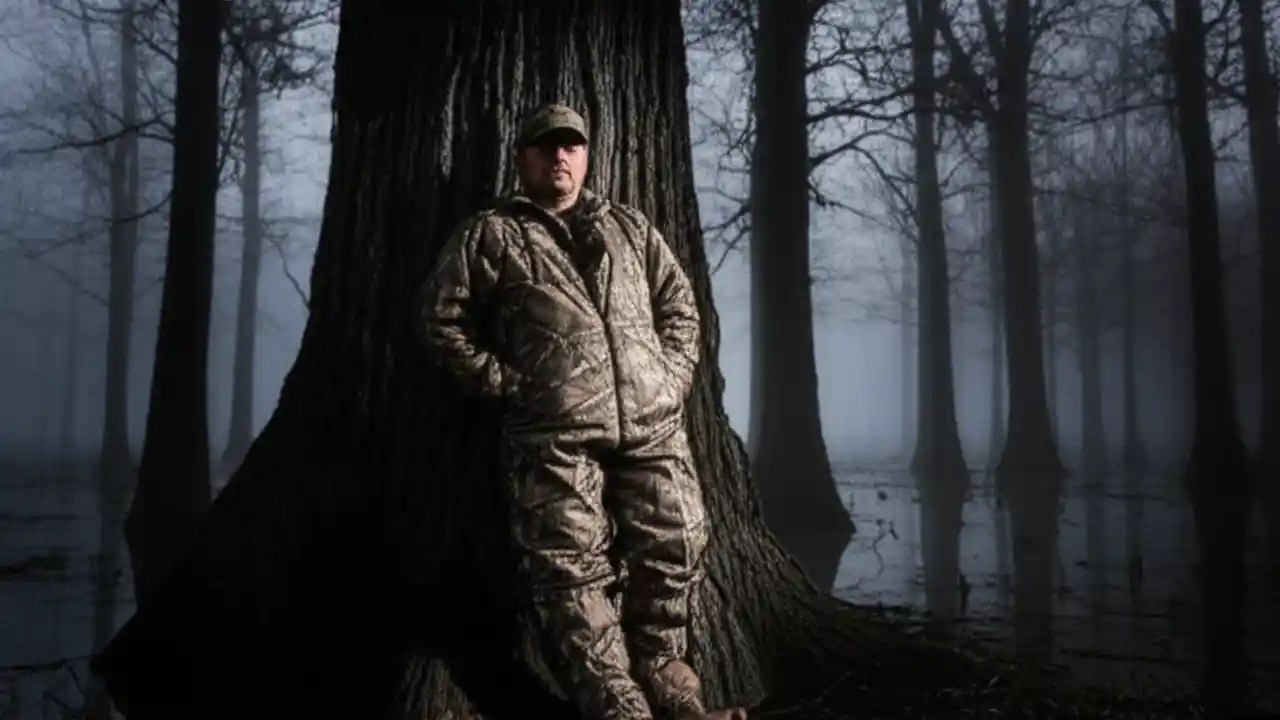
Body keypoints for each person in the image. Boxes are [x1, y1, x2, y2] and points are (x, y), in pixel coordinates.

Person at [419, 103, 747, 720]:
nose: (560, 157)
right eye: (545, 147)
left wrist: (668, 380)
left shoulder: (629, 226)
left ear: (588, 155)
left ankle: (675, 693)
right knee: (569, 571)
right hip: (554, 435)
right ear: (523, 158)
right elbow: (441, 321)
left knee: (675, 548)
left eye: (571, 146)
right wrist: (510, 385)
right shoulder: (492, 234)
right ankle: (618, 707)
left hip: (653, 429)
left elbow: (681, 308)